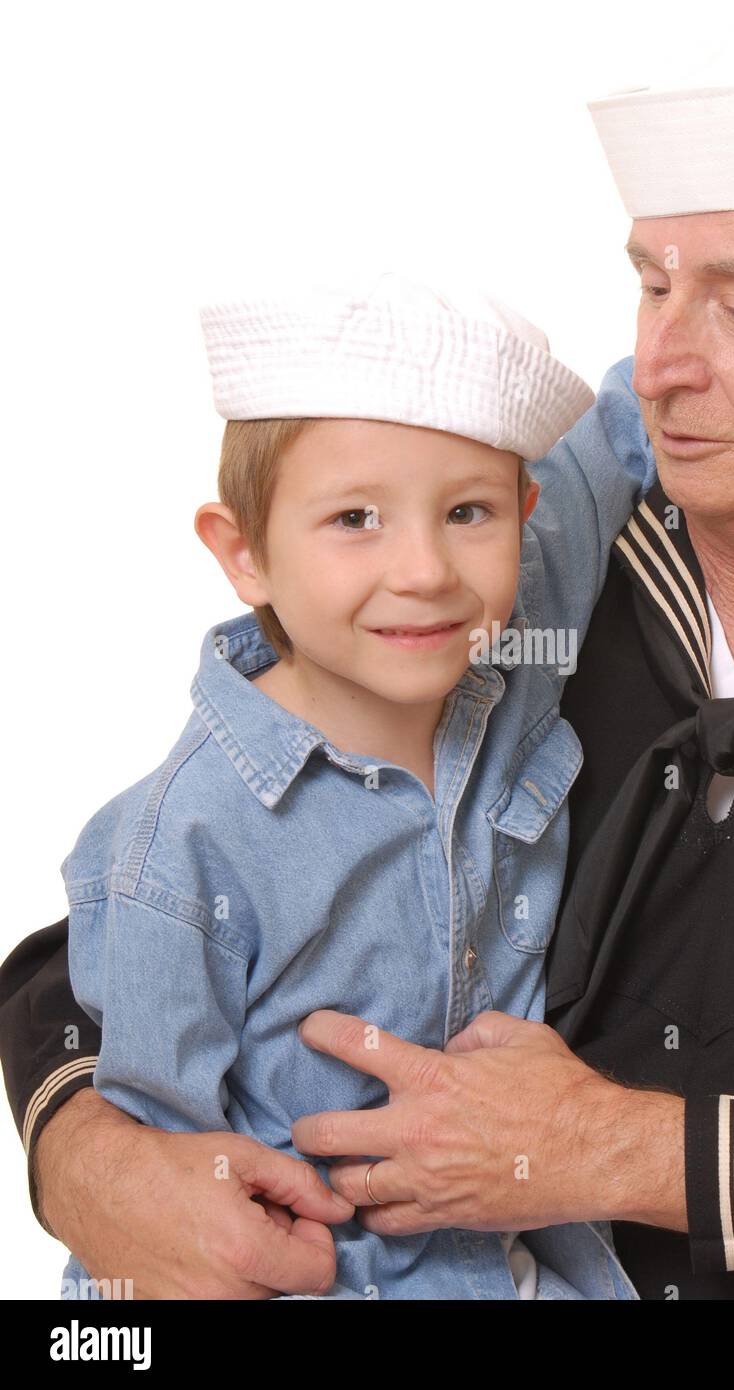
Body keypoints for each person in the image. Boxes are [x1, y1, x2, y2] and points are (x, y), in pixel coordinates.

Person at [2, 17, 734, 1301]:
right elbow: (194, 874)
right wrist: (92, 1158)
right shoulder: (519, 558)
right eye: (652, 286)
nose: (658, 367)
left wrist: (621, 1152)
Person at [45, 273, 653, 1300]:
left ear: (522, 513)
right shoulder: (182, 845)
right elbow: (153, 1218)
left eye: (467, 511)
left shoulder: (512, 633)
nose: (422, 569)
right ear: (243, 552)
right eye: (354, 519)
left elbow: (648, 412)